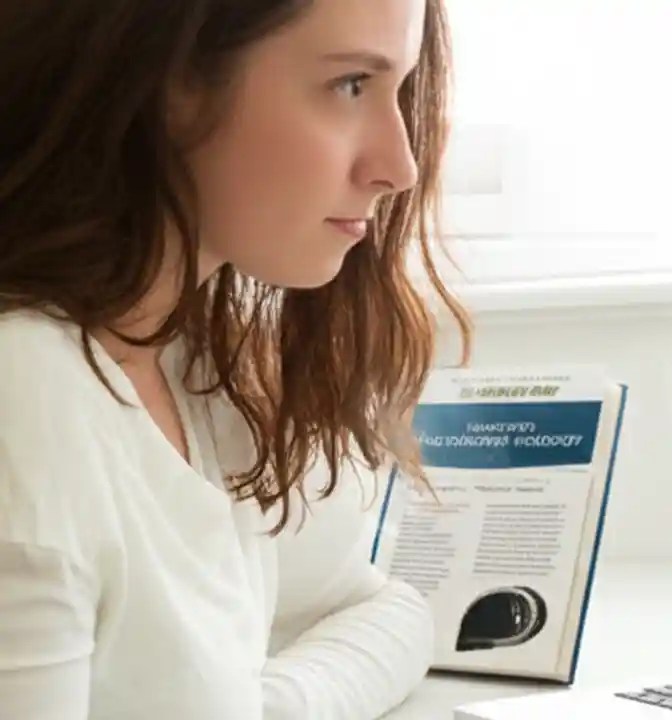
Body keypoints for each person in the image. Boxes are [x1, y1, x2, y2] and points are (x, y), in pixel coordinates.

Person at [0, 0, 471, 717]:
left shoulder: (189, 369)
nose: (399, 166)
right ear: (172, 85)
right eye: (349, 85)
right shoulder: (27, 398)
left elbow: (386, 610)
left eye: (399, 90)